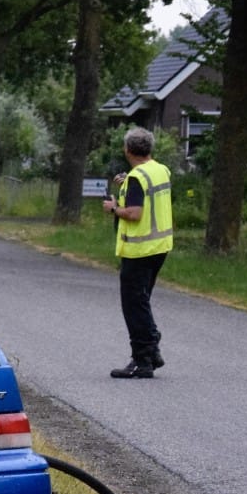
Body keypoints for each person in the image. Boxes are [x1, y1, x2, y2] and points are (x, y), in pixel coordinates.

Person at [102, 126, 172, 379]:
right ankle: (152, 351)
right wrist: (125, 186)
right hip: (160, 246)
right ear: (150, 149)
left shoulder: (136, 178)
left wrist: (112, 208)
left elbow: (134, 213)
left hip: (139, 249)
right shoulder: (160, 170)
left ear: (127, 149)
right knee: (142, 301)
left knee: (134, 305)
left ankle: (142, 359)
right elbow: (146, 197)